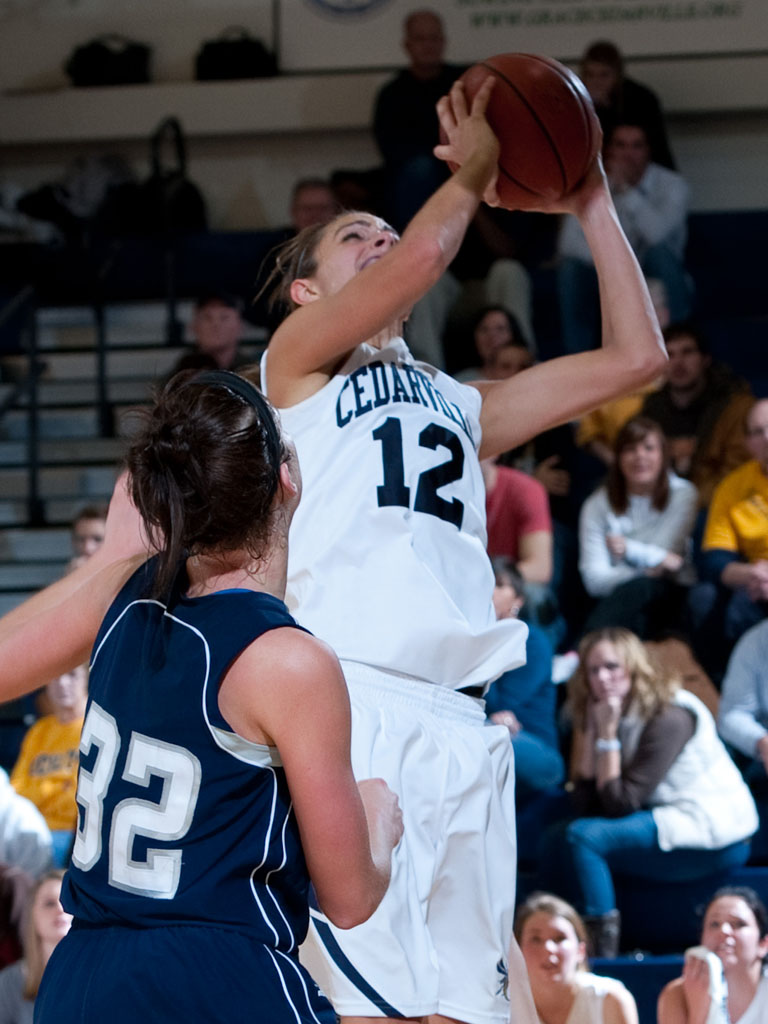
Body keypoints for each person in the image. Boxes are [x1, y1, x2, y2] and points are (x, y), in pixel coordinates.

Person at [259, 68, 666, 1023]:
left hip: (457, 722)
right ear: (309, 291)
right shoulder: (294, 367)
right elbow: (429, 255)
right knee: (358, 1008)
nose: (385, 241)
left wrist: (592, 195)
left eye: (388, 232)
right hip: (351, 705)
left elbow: (634, 358)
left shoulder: (459, 402)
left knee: (462, 1010)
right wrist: (473, 171)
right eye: (356, 237)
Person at [0, 370, 403, 1022]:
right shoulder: (287, 661)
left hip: (79, 980)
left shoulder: (116, 596)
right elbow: (351, 898)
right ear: (286, 482)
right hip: (209, 977)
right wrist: (379, 820)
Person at [537, 628, 757, 957]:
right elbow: (584, 803)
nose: (602, 678)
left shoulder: (671, 715)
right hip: (666, 818)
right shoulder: (610, 711)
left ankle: (601, 954)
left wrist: (606, 734)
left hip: (712, 832)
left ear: (634, 668)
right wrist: (592, 729)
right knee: (554, 837)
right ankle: (549, 935)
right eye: (593, 670)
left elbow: (619, 803)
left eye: (612, 667)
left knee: (585, 838)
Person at [557, 121, 690, 354]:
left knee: (660, 254)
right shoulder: (592, 183)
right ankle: (576, 355)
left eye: (636, 146)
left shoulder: (672, 185)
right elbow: (568, 244)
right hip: (605, 270)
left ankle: (679, 342)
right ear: (609, 151)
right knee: (570, 269)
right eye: (621, 145)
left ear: (648, 151)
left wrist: (627, 191)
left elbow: (657, 234)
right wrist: (613, 264)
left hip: (656, 269)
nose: (628, 154)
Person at [578, 416, 698, 638]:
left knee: (647, 588)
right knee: (638, 587)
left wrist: (628, 549)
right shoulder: (596, 504)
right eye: (630, 449)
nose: (640, 455)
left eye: (649, 448)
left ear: (664, 455)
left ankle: (582, 652)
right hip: (613, 598)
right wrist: (645, 569)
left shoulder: (683, 494)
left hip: (670, 593)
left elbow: (667, 558)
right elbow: (594, 580)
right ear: (618, 457)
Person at [688, 399, 768, 677]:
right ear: (747, 443)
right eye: (758, 431)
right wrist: (755, 574)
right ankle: (729, 692)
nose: (767, 437)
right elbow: (715, 560)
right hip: (757, 585)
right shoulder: (733, 486)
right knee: (706, 598)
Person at [641, 323, 754, 505]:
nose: (678, 363)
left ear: (705, 359)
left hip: (714, 503)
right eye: (670, 354)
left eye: (687, 352)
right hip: (659, 501)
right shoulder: (651, 407)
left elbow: (737, 473)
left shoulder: (735, 407)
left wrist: (684, 502)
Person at [372, 8, 464, 232]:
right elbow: (391, 150)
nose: (428, 45)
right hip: (417, 176)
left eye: (434, 38)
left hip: (464, 166)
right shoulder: (392, 93)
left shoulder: (463, 84)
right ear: (407, 45)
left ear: (443, 42)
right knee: (418, 170)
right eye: (420, 39)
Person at [485, 561, 564, 804]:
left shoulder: (531, 640)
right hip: (496, 730)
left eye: (499, 585)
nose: (489, 590)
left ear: (518, 600)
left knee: (476, 738)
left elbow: (504, 703)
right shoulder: (477, 637)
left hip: (538, 751)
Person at [515, 892, 638, 1024]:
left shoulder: (610, 999)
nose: (548, 948)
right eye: (536, 939)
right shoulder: (502, 1004)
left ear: (580, 950)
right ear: (518, 950)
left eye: (559, 938)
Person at [10, 665, 87, 866]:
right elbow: (17, 791)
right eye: (55, 677)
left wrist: (41, 792)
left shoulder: (94, 726)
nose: (62, 684)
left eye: (72, 675)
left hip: (71, 835)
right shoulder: (39, 731)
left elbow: (80, 799)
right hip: (32, 828)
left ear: (87, 679)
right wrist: (58, 788)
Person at [658, 886, 768, 1024]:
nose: (724, 930)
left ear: (763, 944)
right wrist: (698, 1014)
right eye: (714, 924)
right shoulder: (678, 994)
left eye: (738, 924)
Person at [578, 40, 675, 170]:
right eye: (590, 75)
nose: (596, 82)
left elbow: (651, 145)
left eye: (604, 75)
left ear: (617, 75)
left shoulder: (641, 99)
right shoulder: (578, 101)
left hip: (645, 170)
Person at [0, 870, 71, 1024]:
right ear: (33, 915)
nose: (60, 909)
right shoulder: (9, 981)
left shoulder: (100, 976)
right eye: (49, 903)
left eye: (67, 902)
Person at [165, 290, 250, 381]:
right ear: (194, 327)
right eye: (207, 317)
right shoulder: (178, 376)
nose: (216, 325)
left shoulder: (253, 373)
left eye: (224, 317)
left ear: (240, 327)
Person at [454, 306, 532, 383]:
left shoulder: (536, 372)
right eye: (484, 330)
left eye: (500, 329)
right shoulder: (461, 383)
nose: (492, 336)